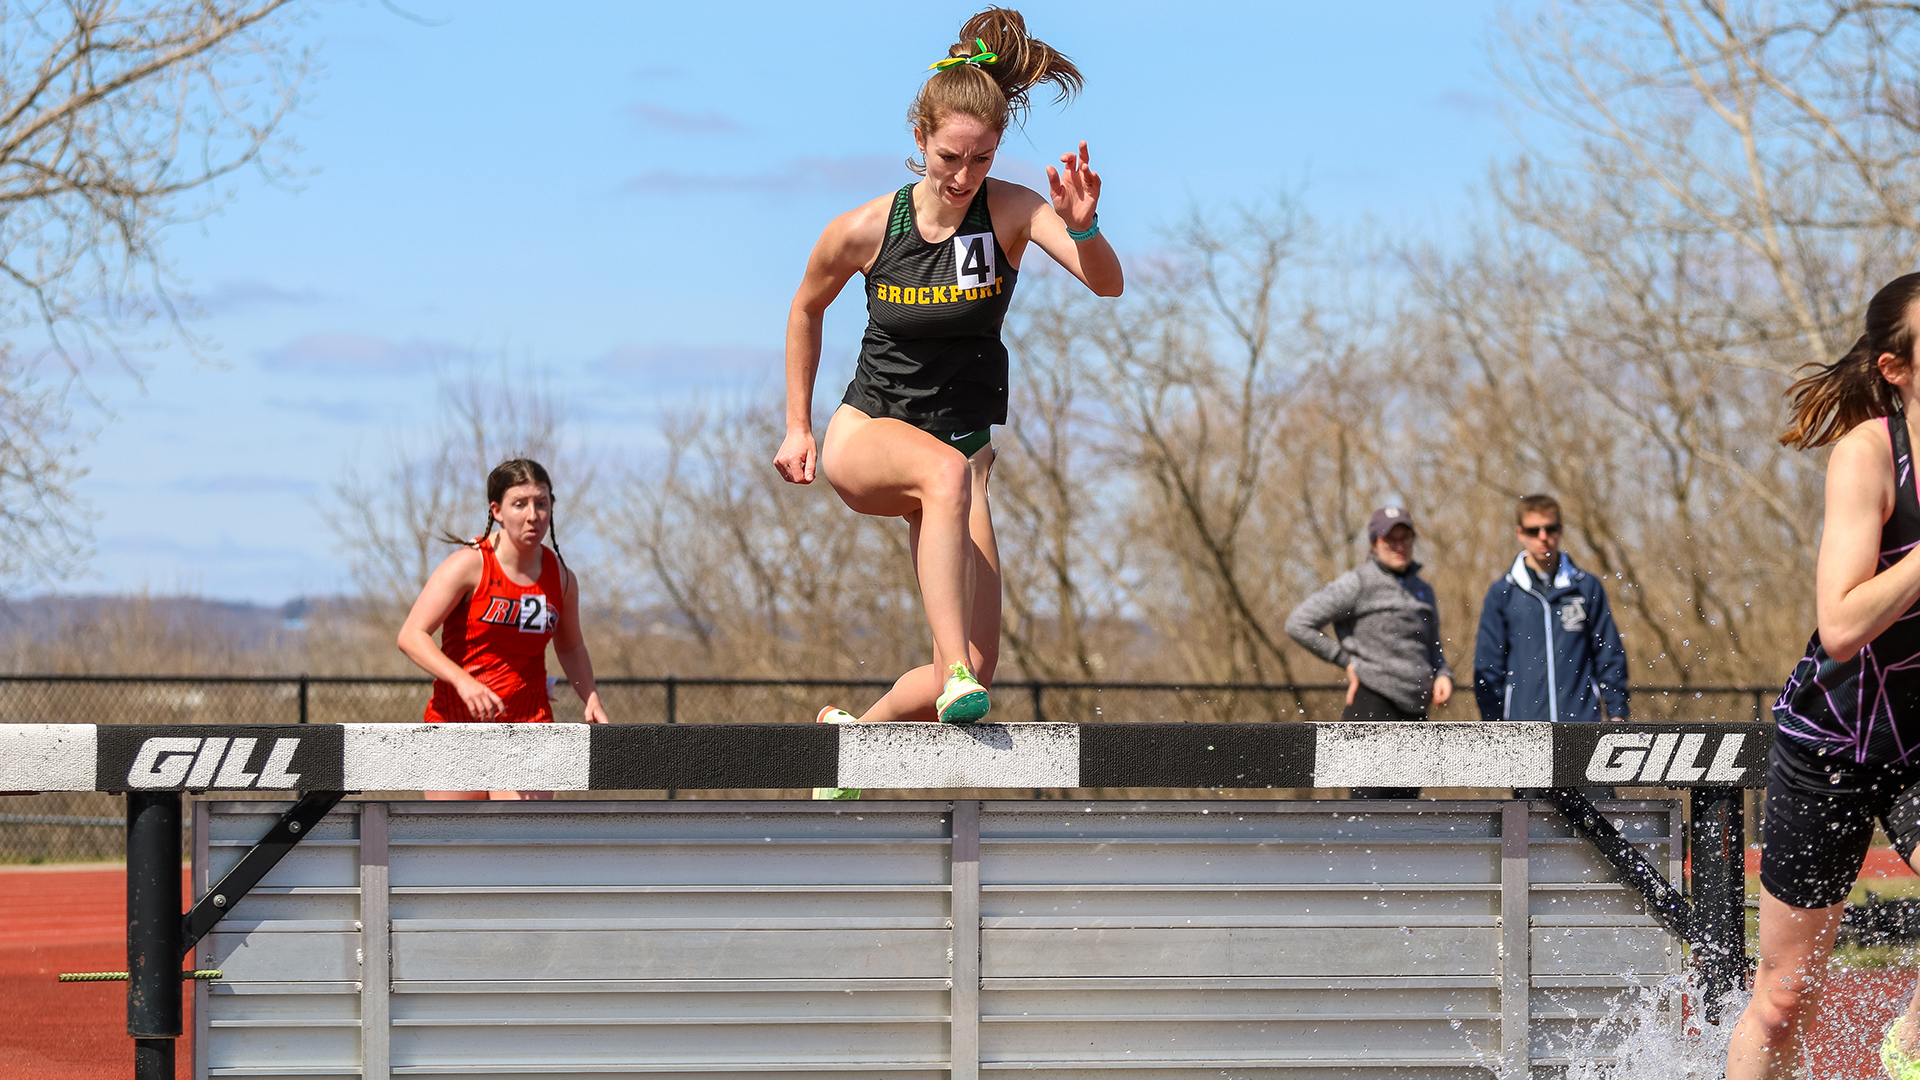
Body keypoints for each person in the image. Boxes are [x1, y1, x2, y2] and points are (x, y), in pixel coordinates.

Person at [774, 7, 1122, 735]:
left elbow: (1107, 283)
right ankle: (954, 670)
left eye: (982, 159)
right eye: (950, 158)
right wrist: (797, 426)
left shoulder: (1012, 214)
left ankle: (852, 738)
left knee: (968, 668)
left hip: (960, 457)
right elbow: (806, 310)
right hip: (869, 433)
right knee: (946, 479)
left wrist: (1085, 227)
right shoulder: (868, 228)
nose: (964, 176)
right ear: (920, 140)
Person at [1726, 274, 1920, 1080]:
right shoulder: (1868, 455)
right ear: (1896, 369)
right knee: (1784, 998)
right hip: (1832, 745)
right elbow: (1840, 626)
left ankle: (1907, 1043)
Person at [397, 458, 608, 801]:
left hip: (527, 725)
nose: (532, 515)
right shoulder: (469, 565)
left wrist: (590, 695)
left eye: (541, 503)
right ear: (497, 510)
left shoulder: (563, 579)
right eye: (520, 504)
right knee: (454, 848)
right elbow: (411, 636)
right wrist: (463, 682)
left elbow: (570, 647)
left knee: (518, 846)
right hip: (456, 726)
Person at [1285, 506, 1453, 799]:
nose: (1399, 547)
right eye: (1391, 540)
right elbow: (1299, 623)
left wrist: (1443, 674)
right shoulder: (1358, 582)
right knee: (1369, 819)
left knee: (1405, 822)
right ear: (1375, 544)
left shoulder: (1423, 590)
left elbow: (1433, 647)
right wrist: (1346, 662)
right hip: (1373, 706)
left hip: (1415, 714)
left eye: (1406, 539)